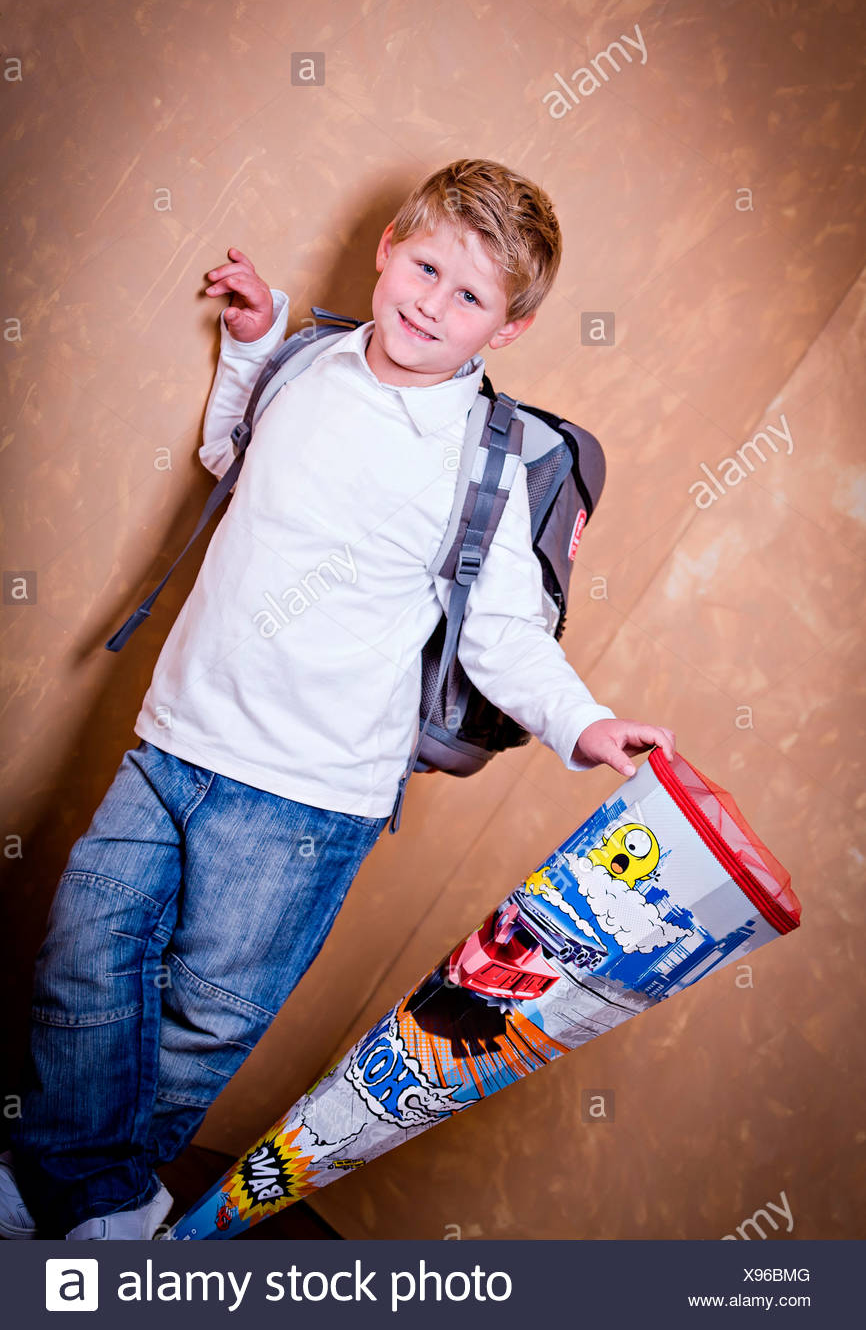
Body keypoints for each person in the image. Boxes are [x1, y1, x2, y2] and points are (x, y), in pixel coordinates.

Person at [1, 159, 675, 1241]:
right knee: (85, 955)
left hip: (308, 795)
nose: (429, 302)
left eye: (468, 297)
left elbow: (502, 631)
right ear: (388, 246)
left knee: (203, 1013)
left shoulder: (481, 458)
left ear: (505, 331)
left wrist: (580, 720)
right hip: (176, 734)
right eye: (424, 266)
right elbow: (229, 452)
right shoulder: (310, 361)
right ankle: (91, 1192)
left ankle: (74, 1202)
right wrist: (252, 343)